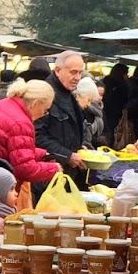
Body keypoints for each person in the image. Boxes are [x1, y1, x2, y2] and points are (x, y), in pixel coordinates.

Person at [0, 78, 62, 190]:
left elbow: (12, 149)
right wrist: (54, 169)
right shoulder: (22, 123)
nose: (43, 114)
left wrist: (42, 154)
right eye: (45, 110)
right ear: (35, 103)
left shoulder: (3, 104)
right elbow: (25, 169)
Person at [35, 50, 87, 182]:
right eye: (73, 72)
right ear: (58, 70)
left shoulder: (68, 94)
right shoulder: (44, 95)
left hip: (65, 172)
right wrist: (67, 155)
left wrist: (79, 147)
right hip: (48, 173)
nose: (78, 78)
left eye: (80, 73)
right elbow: (36, 136)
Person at [74, 76, 104, 148]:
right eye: (89, 100)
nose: (89, 104)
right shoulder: (74, 113)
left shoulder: (80, 113)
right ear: (78, 96)